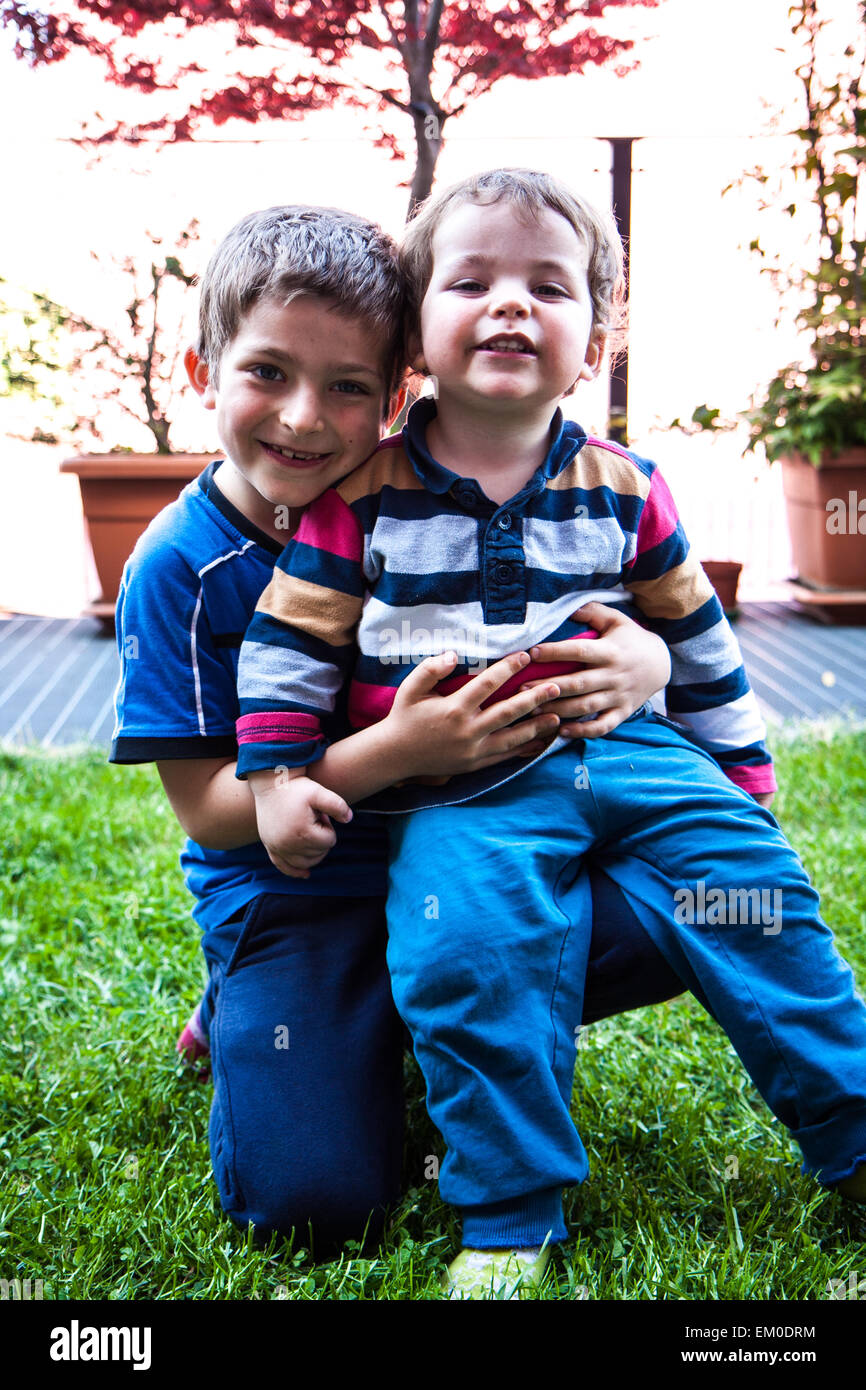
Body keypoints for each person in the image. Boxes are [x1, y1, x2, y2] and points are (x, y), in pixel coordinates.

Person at [235, 169, 866, 1296]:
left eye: (549, 286)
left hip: (640, 760)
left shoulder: (626, 487)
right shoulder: (360, 499)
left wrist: (741, 780)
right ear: (415, 337)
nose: (511, 305)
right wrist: (277, 774)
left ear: (599, 334)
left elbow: (695, 633)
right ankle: (509, 1212)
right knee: (466, 955)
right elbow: (288, 645)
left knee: (760, 907)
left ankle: (853, 1138)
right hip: (465, 792)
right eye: (470, 280)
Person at [110, 201, 679, 1257]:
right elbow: (214, 812)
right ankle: (269, 1006)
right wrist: (398, 753)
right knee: (316, 1202)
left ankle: (429, 995)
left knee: (699, 905)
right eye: (267, 372)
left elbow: (606, 598)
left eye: (348, 387)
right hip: (299, 889)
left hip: (464, 859)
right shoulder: (181, 568)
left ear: (399, 391)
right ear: (202, 372)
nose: (304, 418)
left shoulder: (438, 496)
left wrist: (647, 657)